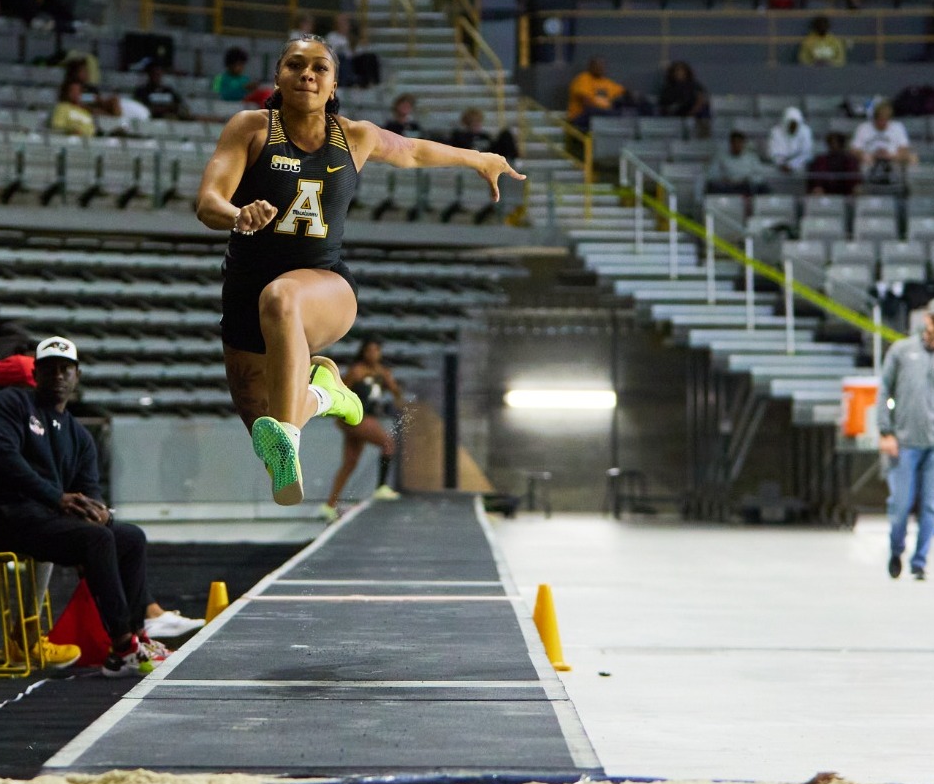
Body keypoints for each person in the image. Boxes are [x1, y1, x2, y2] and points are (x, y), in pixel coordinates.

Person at [194, 34, 523, 505]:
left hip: (324, 288)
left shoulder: (354, 136)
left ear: (334, 86)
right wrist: (237, 214)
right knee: (266, 430)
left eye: (319, 68)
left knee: (282, 299)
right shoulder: (251, 128)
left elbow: (414, 151)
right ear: (278, 78)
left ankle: (297, 429)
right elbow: (208, 202)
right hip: (244, 296)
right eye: (295, 65)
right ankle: (328, 395)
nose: (307, 74)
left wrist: (479, 158)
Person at [0, 337, 167, 676]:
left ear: (77, 376)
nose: (57, 376)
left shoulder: (79, 436)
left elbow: (89, 491)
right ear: (35, 373)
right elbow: (4, 460)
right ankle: (123, 646)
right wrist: (57, 498)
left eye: (65, 369)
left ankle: (136, 635)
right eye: (49, 369)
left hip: (38, 521)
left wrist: (99, 512)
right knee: (96, 540)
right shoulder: (10, 403)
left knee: (129, 537)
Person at [877, 297, 934, 581]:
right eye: (932, 318)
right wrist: (885, 430)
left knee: (931, 505)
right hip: (904, 441)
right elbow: (884, 391)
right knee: (900, 505)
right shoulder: (902, 351)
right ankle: (896, 548)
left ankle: (920, 560)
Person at [319, 339, 403, 521]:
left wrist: (392, 385)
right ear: (363, 353)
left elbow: (396, 392)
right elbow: (339, 391)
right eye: (369, 350)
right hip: (359, 417)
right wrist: (338, 416)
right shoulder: (356, 371)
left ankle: (329, 505)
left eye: (376, 350)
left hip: (367, 417)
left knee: (349, 463)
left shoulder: (382, 372)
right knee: (388, 443)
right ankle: (381, 487)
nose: (373, 354)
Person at [850, 101, 915, 180]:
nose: (882, 122)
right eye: (880, 119)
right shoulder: (863, 128)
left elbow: (904, 149)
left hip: (892, 159)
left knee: (913, 158)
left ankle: (906, 186)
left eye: (885, 119)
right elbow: (854, 150)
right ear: (875, 118)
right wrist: (867, 156)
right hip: (869, 160)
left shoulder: (897, 127)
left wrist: (889, 156)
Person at [566, 57, 624, 128]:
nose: (600, 68)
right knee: (593, 111)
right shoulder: (583, 78)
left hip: (601, 114)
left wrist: (631, 95)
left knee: (624, 110)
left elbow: (623, 91)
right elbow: (586, 103)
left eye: (602, 66)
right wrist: (607, 111)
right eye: (598, 65)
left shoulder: (606, 82)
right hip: (580, 117)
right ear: (591, 67)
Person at [706, 130, 771, 194]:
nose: (737, 145)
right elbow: (711, 175)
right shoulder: (721, 157)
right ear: (730, 143)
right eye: (734, 142)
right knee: (712, 187)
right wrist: (723, 179)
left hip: (746, 187)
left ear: (743, 143)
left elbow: (759, 175)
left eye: (739, 142)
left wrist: (747, 179)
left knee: (763, 188)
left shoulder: (751, 157)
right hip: (727, 187)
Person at [656, 60, 709, 134]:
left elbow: (700, 100)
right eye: (677, 71)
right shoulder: (668, 88)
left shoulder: (695, 85)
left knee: (704, 111)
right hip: (675, 113)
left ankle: (702, 135)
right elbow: (663, 104)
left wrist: (691, 113)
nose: (679, 73)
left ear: (687, 72)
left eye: (681, 71)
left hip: (692, 112)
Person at [768, 106, 815, 173]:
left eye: (795, 125)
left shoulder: (806, 131)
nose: (793, 127)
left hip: (800, 167)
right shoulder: (775, 132)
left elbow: (807, 154)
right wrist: (782, 164)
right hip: (779, 167)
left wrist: (792, 165)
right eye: (790, 125)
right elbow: (773, 153)